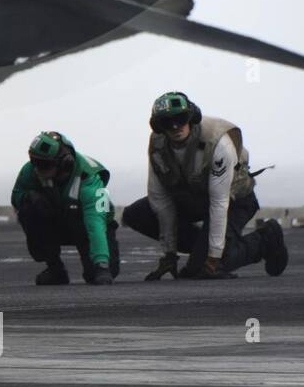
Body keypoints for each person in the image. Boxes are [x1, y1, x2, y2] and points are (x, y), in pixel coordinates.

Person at [122, 91, 288, 280]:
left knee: (199, 269)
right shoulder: (158, 144)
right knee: (135, 214)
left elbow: (220, 202)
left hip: (234, 200)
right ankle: (205, 246)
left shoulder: (217, 143)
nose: (176, 126)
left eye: (181, 119)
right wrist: (169, 253)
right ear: (159, 126)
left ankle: (265, 239)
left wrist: (213, 258)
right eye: (168, 122)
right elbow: (161, 201)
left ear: (192, 117)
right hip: (195, 199)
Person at [12, 131, 120, 285]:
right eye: (33, 161)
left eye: (43, 164)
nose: (36, 169)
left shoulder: (90, 180)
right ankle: (55, 268)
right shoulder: (30, 170)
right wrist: (29, 196)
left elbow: (96, 223)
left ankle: (98, 263)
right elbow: (16, 196)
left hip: (93, 225)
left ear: (65, 163)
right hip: (61, 220)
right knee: (28, 210)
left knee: (96, 275)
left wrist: (102, 265)